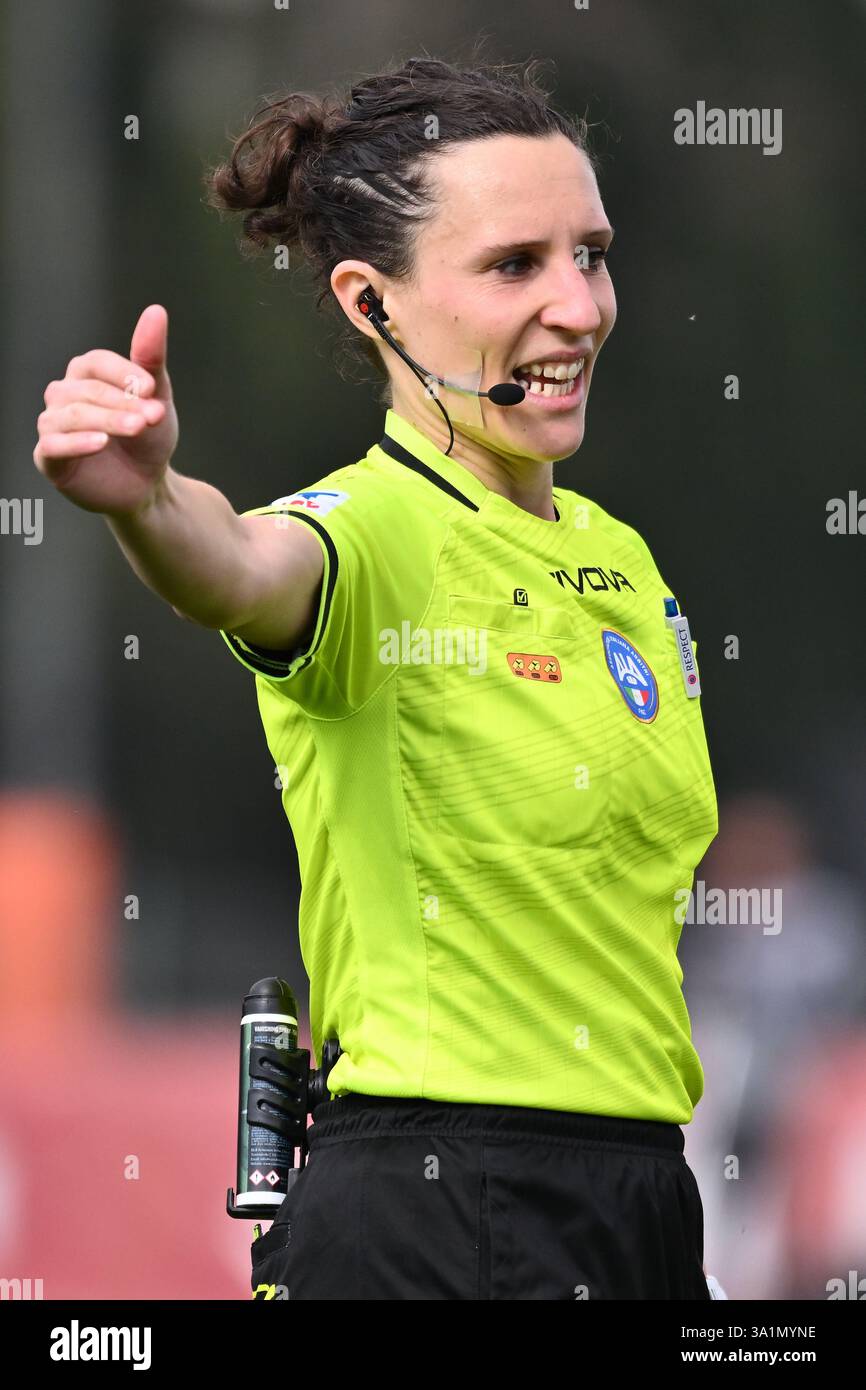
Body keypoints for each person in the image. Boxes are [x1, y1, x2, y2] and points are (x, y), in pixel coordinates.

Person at [33, 55, 718, 1300]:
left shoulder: (618, 555)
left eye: (592, 253)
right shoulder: (372, 528)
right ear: (372, 303)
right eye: (514, 265)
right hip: (438, 1202)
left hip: (638, 1198)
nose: (578, 305)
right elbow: (234, 560)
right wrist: (145, 506)